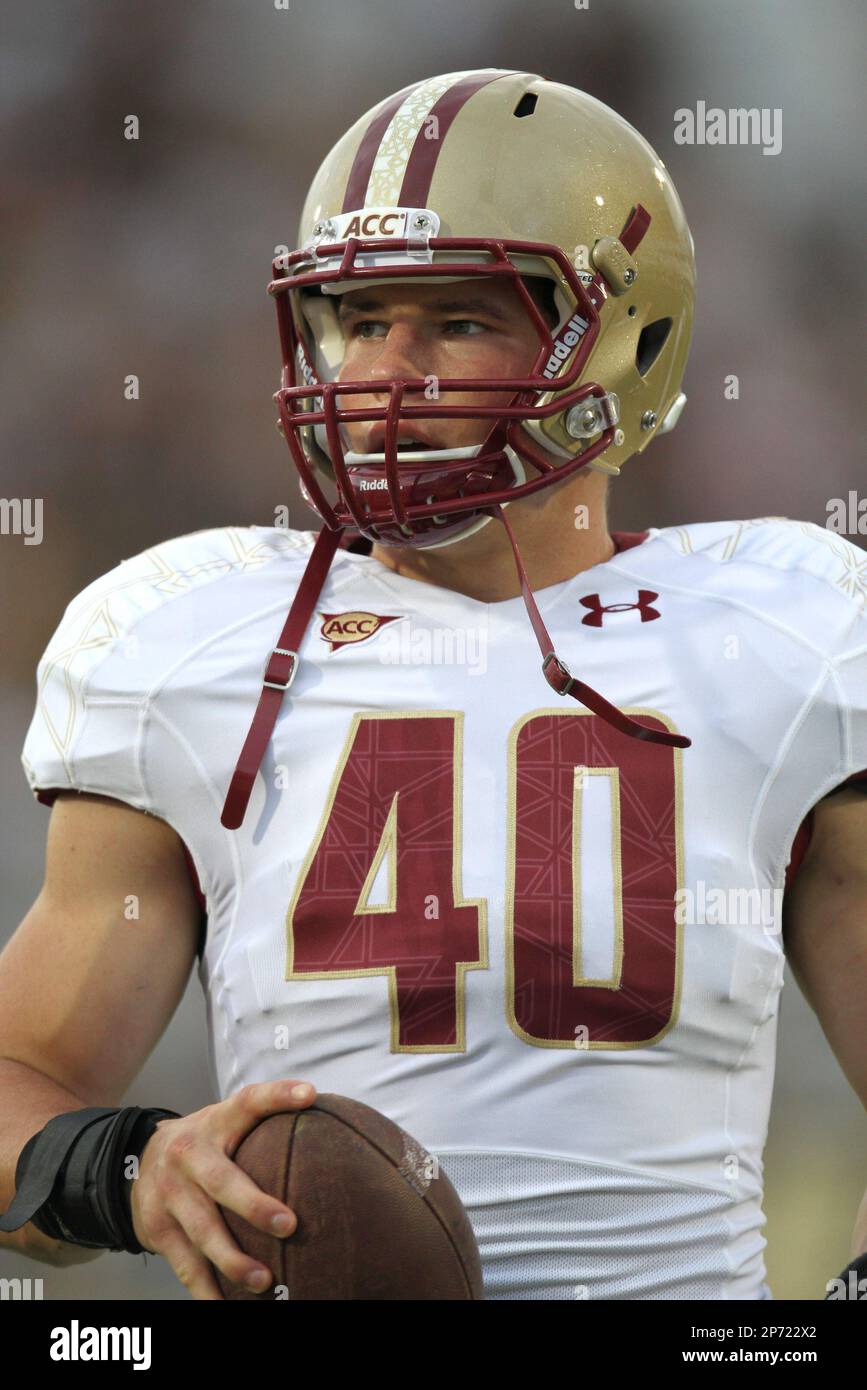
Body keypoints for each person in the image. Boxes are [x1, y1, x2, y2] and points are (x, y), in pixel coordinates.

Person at [1, 69, 865, 1301]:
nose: (383, 375)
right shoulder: (189, 640)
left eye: (456, 320)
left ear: (624, 339)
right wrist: (131, 1169)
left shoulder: (784, 628)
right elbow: (23, 1069)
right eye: (356, 320)